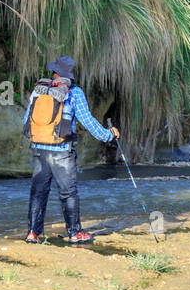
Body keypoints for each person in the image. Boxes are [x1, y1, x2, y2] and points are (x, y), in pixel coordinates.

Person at [22, 55, 119, 244]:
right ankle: (74, 233)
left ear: (54, 72)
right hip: (62, 150)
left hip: (39, 150)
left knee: (38, 192)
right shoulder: (74, 93)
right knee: (68, 193)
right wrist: (109, 135)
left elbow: (26, 121)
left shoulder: (38, 91)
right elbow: (88, 122)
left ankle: (33, 233)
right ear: (69, 75)